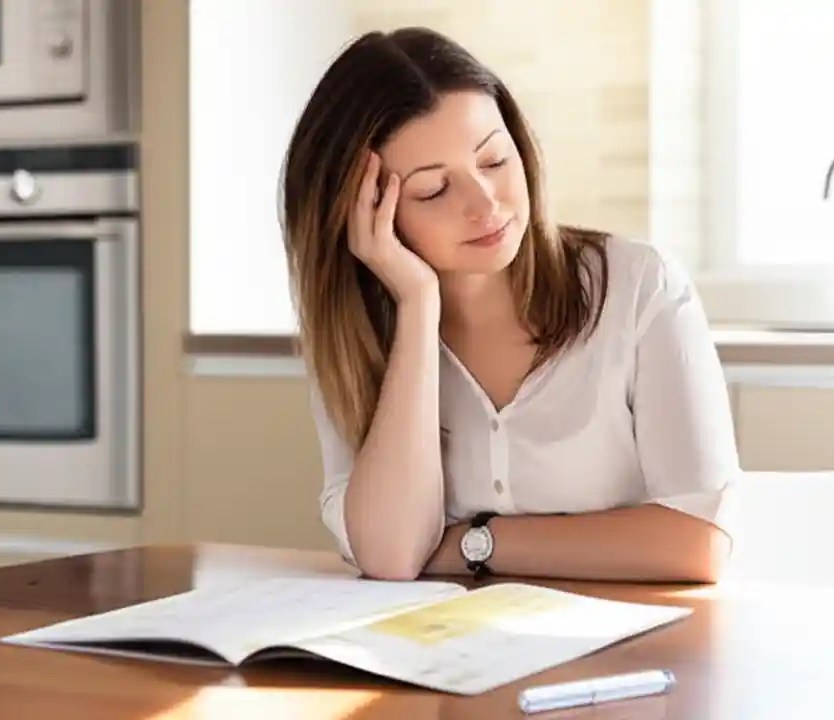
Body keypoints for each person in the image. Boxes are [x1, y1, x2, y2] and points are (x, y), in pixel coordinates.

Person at [280, 27, 740, 584]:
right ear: (362, 212)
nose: (485, 204)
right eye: (433, 190)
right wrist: (419, 305)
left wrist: (474, 543)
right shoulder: (359, 335)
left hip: (632, 653)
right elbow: (393, 554)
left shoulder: (639, 288)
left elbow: (697, 543)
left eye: (494, 160)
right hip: (445, 656)